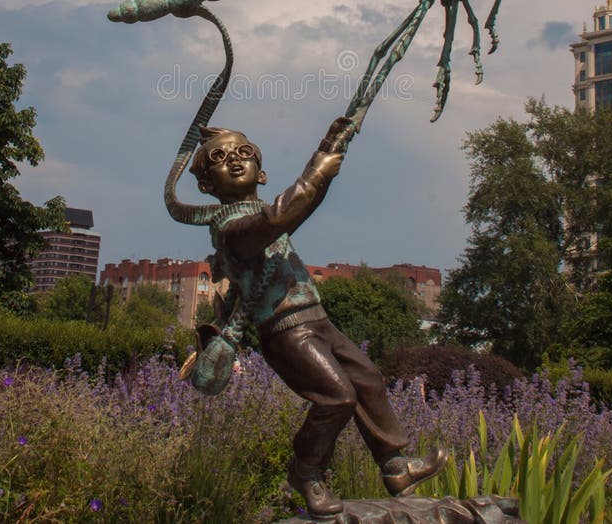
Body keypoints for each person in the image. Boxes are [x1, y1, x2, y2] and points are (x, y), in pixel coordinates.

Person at [188, 118, 447, 519]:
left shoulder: (262, 214)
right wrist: (317, 171)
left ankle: (396, 467)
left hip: (315, 318)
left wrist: (328, 147)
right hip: (284, 331)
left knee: (368, 378)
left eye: (244, 152)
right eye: (219, 159)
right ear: (207, 186)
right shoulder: (232, 229)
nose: (234, 160)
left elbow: (294, 208)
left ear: (262, 172)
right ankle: (306, 471)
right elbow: (280, 218)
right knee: (337, 396)